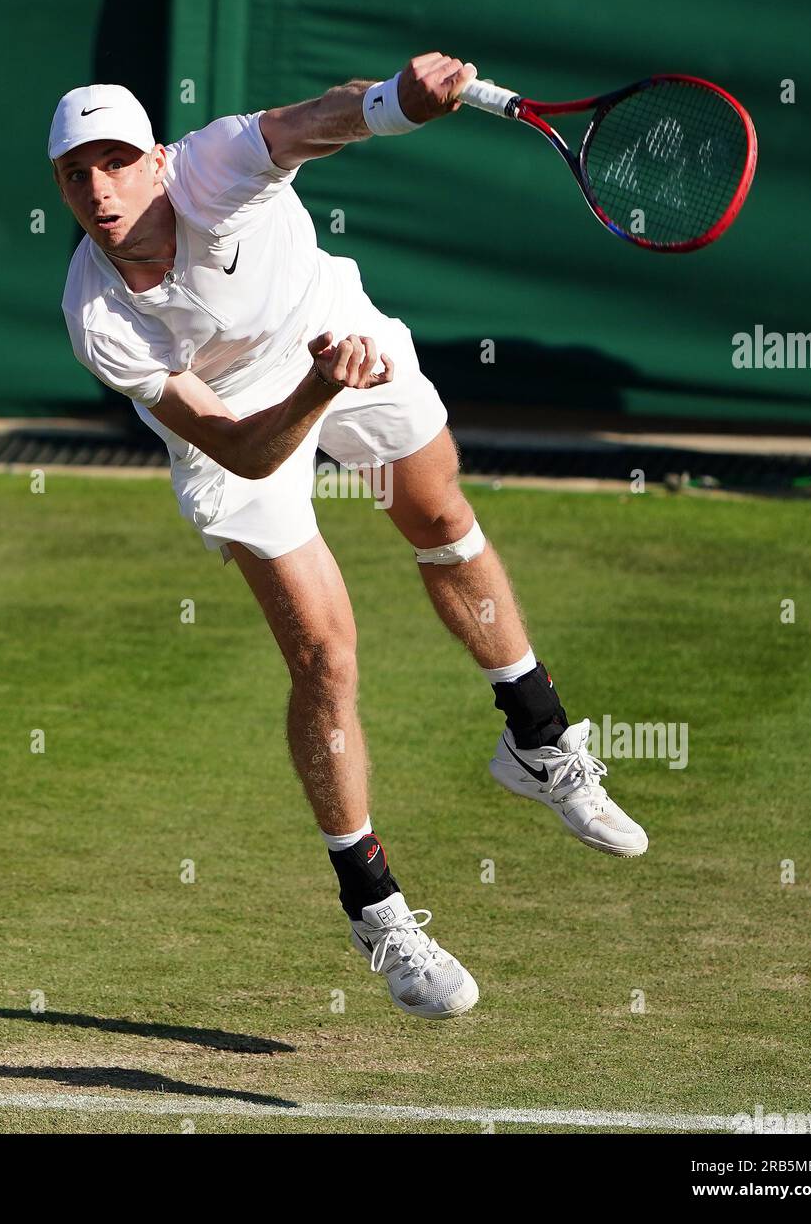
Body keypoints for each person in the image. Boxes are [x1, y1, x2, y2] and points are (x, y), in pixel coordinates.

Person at [49, 53, 647, 1021]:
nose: (100, 188)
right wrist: (321, 385)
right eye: (77, 173)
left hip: (326, 325)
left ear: (159, 161)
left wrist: (396, 104)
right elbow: (243, 450)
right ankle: (376, 911)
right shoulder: (99, 317)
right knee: (324, 656)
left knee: (439, 514)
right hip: (251, 427)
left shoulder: (217, 161)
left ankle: (536, 742)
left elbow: (313, 121)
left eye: (116, 162)